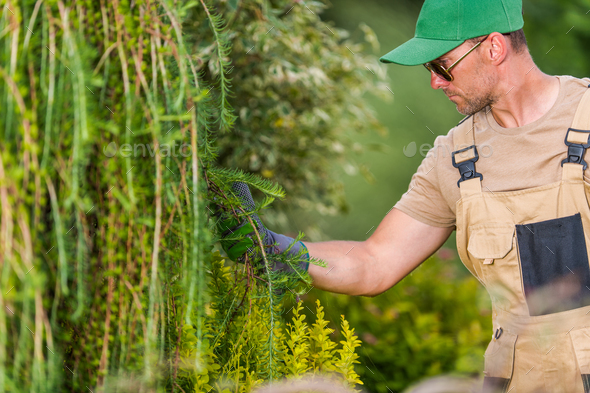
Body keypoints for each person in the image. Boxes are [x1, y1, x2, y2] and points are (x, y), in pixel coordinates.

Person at [219, 0, 590, 392]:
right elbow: (374, 262)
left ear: (494, 48)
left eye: (441, 65)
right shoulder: (456, 158)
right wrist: (275, 249)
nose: (435, 82)